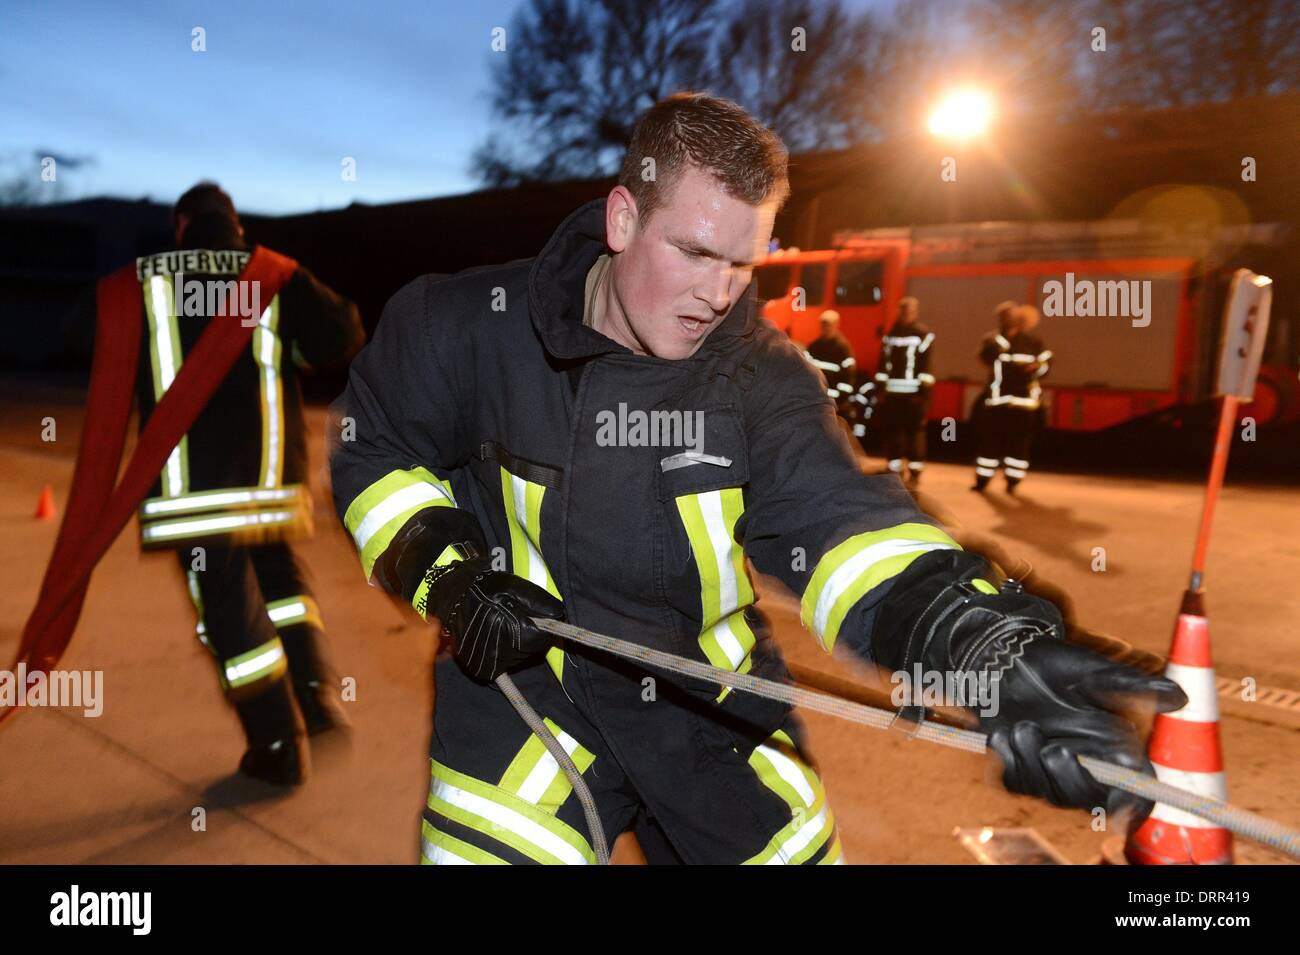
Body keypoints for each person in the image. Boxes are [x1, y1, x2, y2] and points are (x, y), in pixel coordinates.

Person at [332, 93, 1182, 865]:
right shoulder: (463, 326)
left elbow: (845, 527)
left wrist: (975, 643)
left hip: (713, 712)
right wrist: (448, 579)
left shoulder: (761, 375)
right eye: (696, 252)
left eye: (745, 264)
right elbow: (374, 452)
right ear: (622, 219)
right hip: (521, 701)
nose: (718, 294)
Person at [87, 183, 363, 784]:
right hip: (267, 486)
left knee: (231, 618)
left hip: (195, 494)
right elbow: (341, 336)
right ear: (234, 222)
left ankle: (276, 747)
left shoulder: (147, 279)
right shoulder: (273, 274)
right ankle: (318, 699)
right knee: (284, 587)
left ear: (181, 223)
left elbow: (98, 351)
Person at [972, 302, 1051, 494]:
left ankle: (1013, 481)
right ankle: (983, 480)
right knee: (990, 443)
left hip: (1024, 404)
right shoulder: (993, 340)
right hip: (998, 402)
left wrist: (1037, 368)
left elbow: (1046, 363)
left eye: (1010, 316)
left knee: (1019, 446)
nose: (1007, 319)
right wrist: (1004, 341)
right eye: (1003, 316)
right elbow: (986, 357)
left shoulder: (1033, 342)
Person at [874, 296, 934, 485]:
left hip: (913, 396)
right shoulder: (890, 334)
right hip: (892, 395)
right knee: (893, 431)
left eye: (908, 311)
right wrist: (880, 389)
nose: (904, 314)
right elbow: (883, 364)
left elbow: (926, 366)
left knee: (914, 432)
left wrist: (922, 394)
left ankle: (915, 471)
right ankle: (894, 469)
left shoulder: (923, 334)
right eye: (902, 310)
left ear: (914, 313)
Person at [802, 309, 858, 429]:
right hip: (817, 401)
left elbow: (848, 377)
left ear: (836, 325)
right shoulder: (813, 347)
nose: (825, 328)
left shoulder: (843, 349)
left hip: (836, 403)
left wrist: (841, 400)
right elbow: (805, 372)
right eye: (823, 325)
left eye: (828, 325)